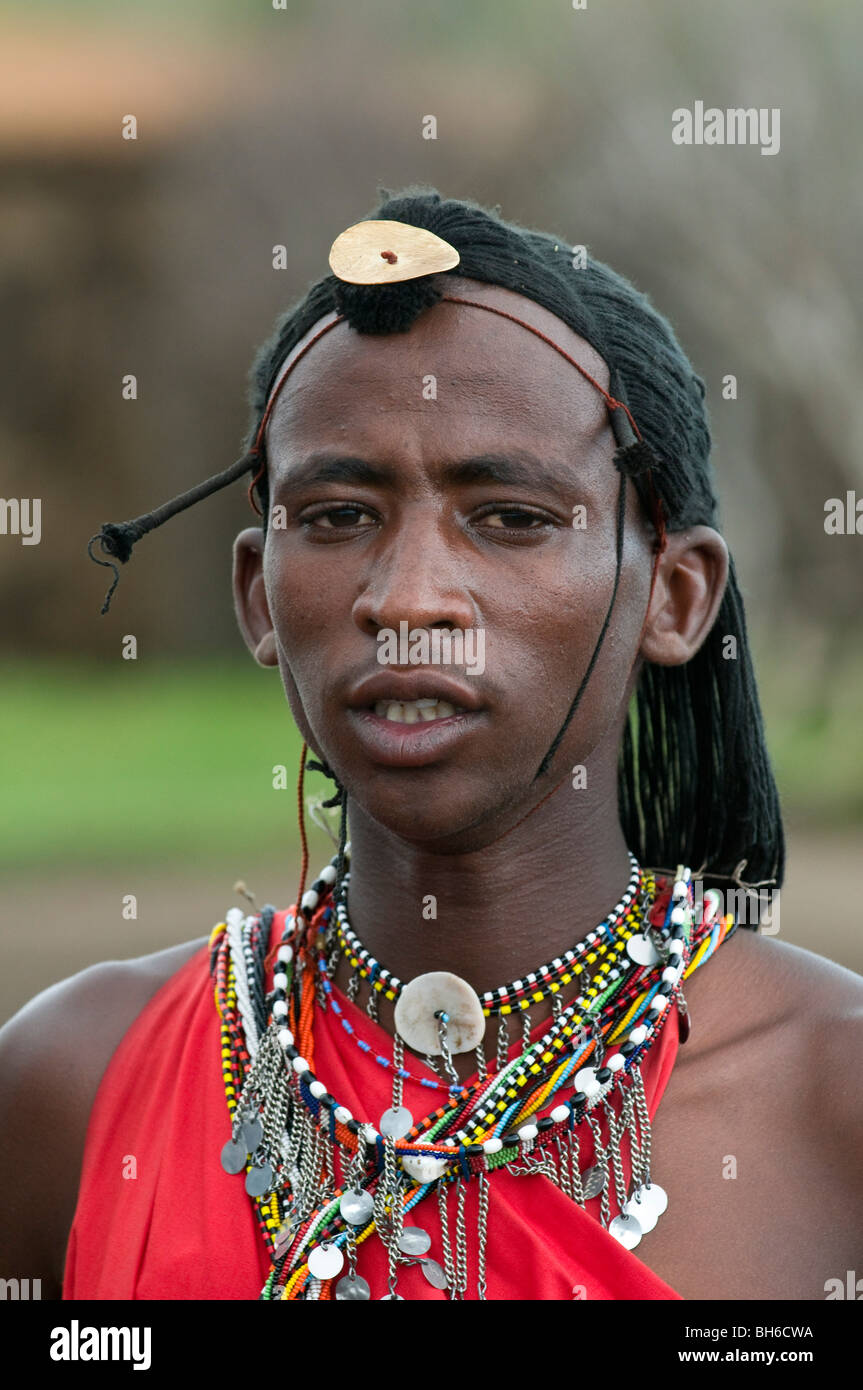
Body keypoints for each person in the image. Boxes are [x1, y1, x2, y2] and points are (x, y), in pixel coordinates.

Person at [2, 187, 861, 1302]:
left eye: (508, 516)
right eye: (339, 516)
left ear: (675, 596)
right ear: (259, 597)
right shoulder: (72, 1084)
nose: (406, 597)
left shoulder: (829, 1098)